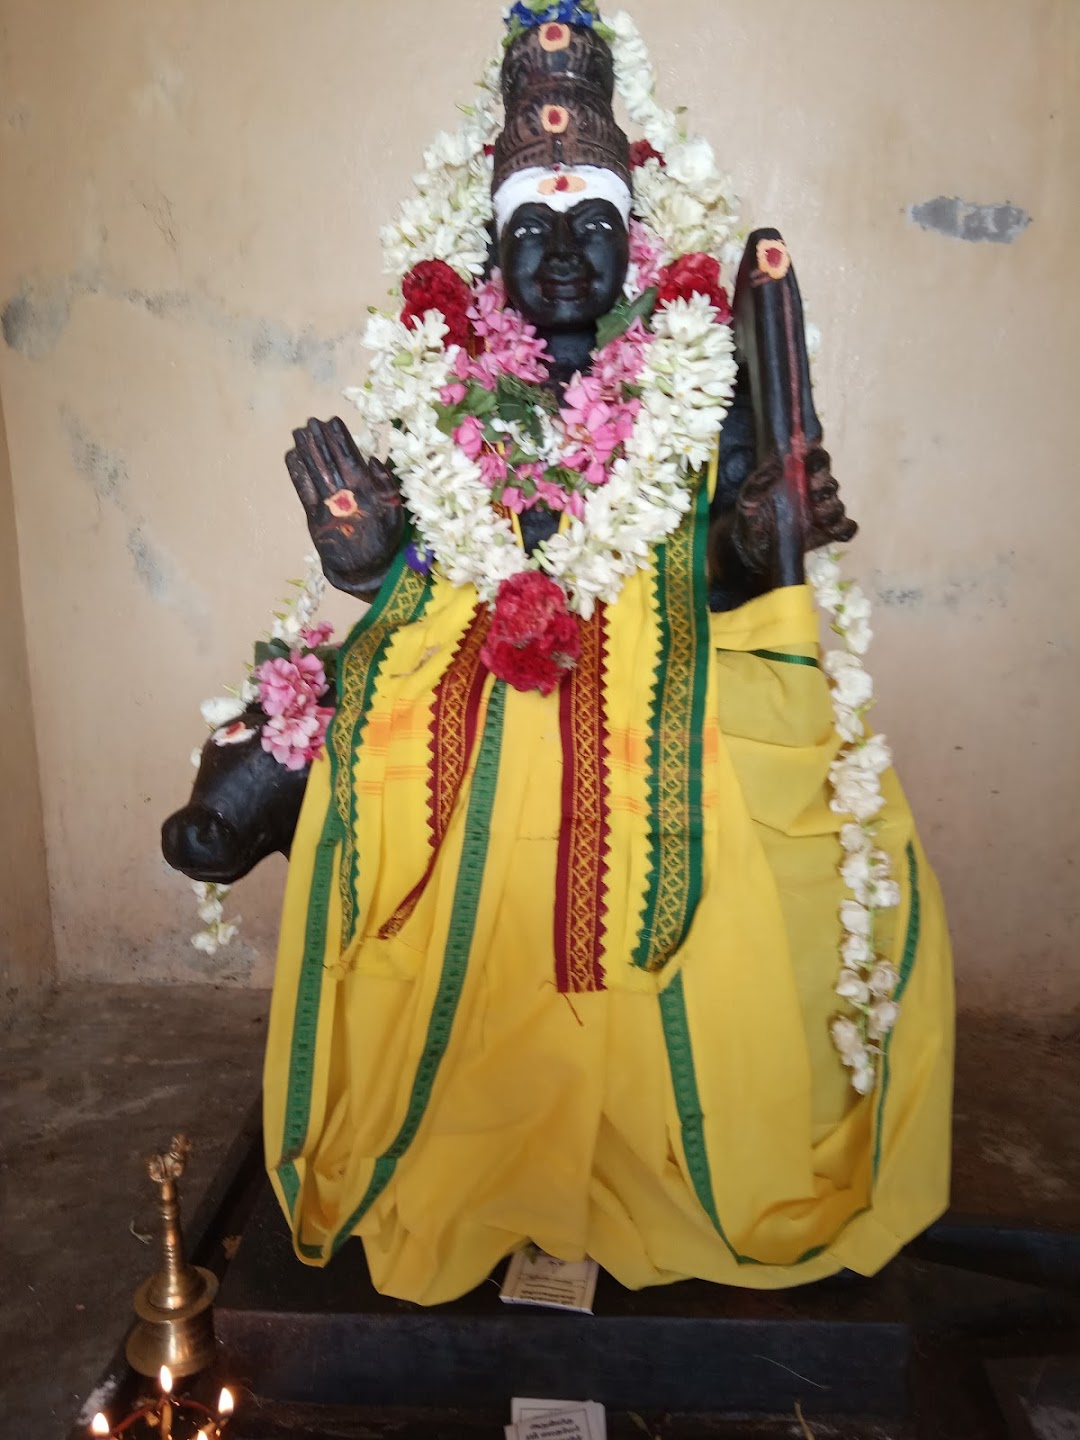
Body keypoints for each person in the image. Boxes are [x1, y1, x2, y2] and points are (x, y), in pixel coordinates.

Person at [260, 3, 953, 1306]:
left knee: (747, 798)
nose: (566, 254)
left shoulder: (701, 370)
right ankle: (475, 1140)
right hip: (477, 693)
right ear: (489, 250)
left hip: (666, 683)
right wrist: (370, 564)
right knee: (392, 761)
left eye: (592, 224)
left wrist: (760, 527)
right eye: (533, 227)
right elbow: (416, 555)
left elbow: (737, 556)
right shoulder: (438, 377)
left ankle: (672, 1147)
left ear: (634, 237)